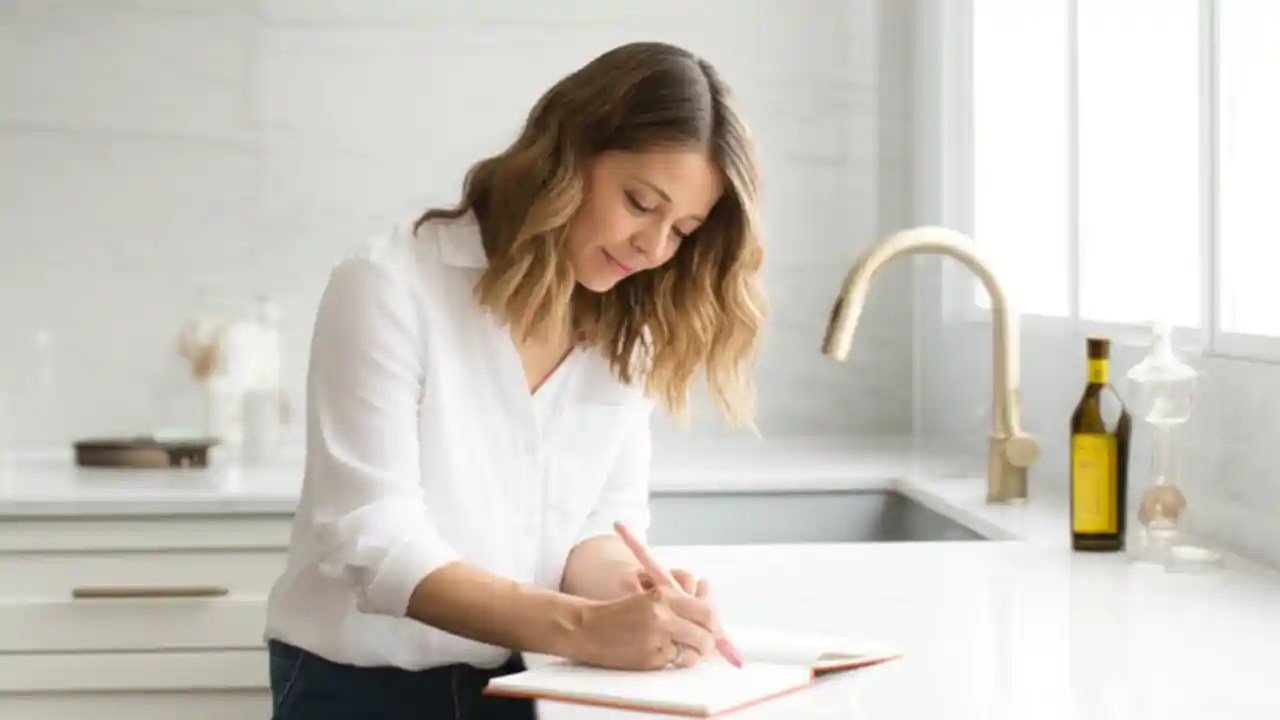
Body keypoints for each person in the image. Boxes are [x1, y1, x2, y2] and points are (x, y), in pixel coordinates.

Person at [263, 40, 765, 720]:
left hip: (525, 682)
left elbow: (597, 525)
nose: (654, 248)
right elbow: (371, 537)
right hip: (361, 687)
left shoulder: (629, 327)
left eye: (683, 229)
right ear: (567, 154)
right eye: (640, 202)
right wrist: (585, 629)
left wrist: (632, 592)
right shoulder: (389, 286)